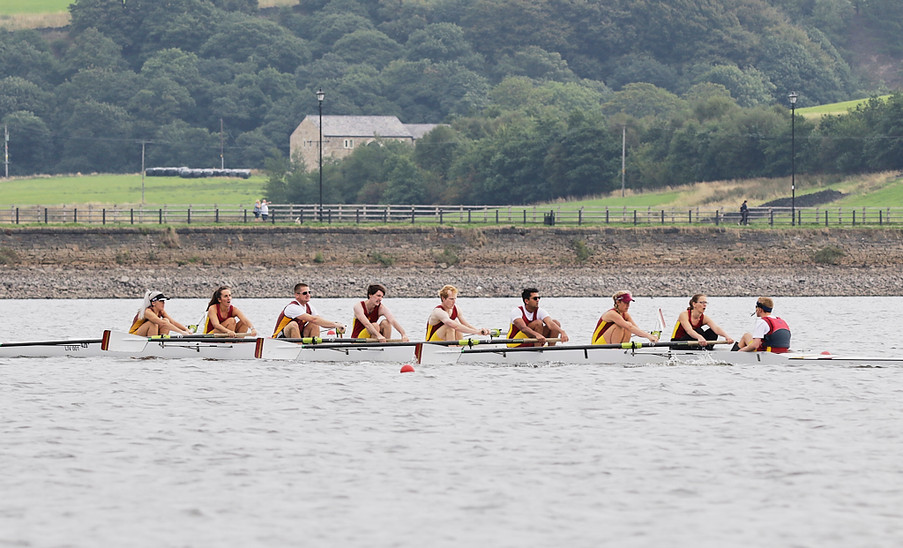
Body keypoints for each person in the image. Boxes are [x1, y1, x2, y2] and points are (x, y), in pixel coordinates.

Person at [272, 283, 345, 338]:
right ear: (297, 295)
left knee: (315, 324)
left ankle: (314, 347)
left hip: (297, 336)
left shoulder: (310, 306)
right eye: (304, 293)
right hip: (281, 338)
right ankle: (299, 347)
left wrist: (337, 325)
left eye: (309, 292)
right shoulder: (292, 307)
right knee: (293, 324)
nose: (308, 295)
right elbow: (314, 319)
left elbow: (319, 321)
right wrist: (335, 324)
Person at [424, 285, 491, 341]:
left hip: (445, 340)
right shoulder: (438, 311)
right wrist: (476, 332)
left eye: (455, 299)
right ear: (443, 298)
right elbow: (454, 326)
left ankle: (459, 347)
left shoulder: (456, 309)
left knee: (456, 322)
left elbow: (466, 325)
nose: (454, 302)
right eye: (451, 299)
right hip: (432, 343)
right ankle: (453, 348)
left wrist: (480, 331)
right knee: (450, 325)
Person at [591, 290, 659, 345]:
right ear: (618, 302)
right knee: (621, 326)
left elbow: (636, 329)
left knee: (628, 325)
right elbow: (629, 327)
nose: (628, 305)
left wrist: (651, 336)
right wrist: (648, 336)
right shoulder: (611, 314)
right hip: (597, 345)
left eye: (629, 303)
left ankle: (622, 350)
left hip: (608, 343)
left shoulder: (625, 315)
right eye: (626, 303)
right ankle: (615, 350)